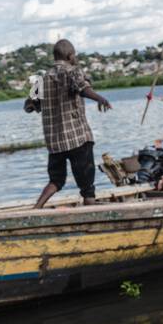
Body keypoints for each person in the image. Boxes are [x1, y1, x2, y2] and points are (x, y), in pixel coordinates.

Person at [25, 39, 112, 208]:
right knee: (87, 187)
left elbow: (29, 106)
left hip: (55, 143)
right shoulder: (72, 72)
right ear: (70, 56)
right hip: (77, 138)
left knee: (56, 181)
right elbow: (83, 88)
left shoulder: (41, 80)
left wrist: (44, 102)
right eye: (75, 55)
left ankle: (36, 209)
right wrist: (100, 98)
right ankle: (91, 211)